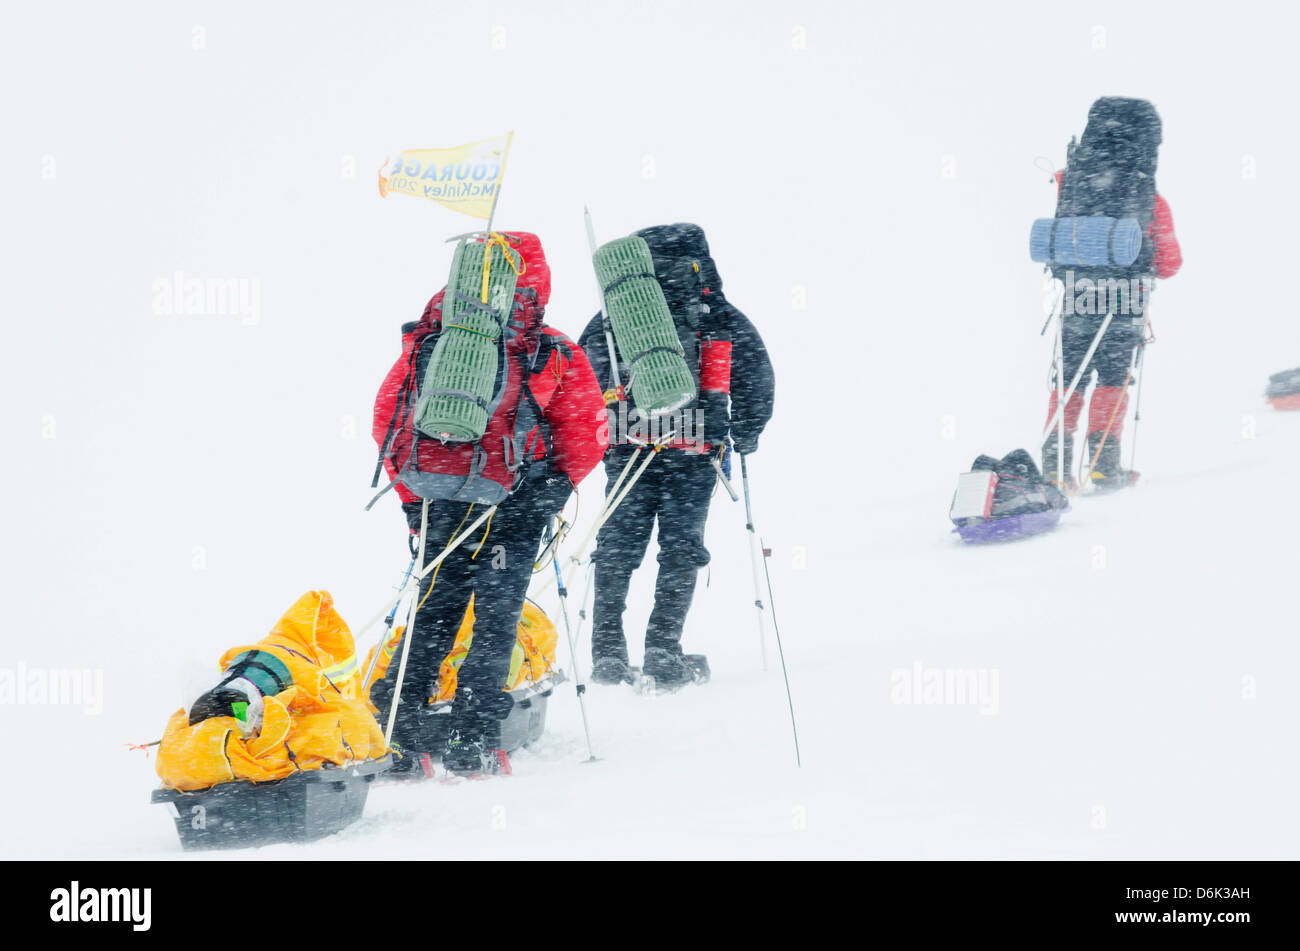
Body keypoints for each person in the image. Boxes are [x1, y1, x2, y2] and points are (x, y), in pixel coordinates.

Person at [370, 231, 607, 774]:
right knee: (496, 617)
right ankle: (472, 740)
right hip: (516, 503)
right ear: (538, 281)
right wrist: (556, 485)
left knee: (434, 609)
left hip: (438, 500)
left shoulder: (433, 342)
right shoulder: (549, 349)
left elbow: (387, 417)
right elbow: (587, 429)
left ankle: (398, 731)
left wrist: (413, 497)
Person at [578, 223, 774, 688]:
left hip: (627, 441)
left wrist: (599, 430)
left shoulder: (617, 315)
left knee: (619, 544)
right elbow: (756, 372)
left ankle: (607, 650)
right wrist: (746, 431)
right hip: (696, 444)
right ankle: (663, 648)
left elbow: (582, 372)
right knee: (681, 546)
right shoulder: (716, 311)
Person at [1041, 97, 1182, 491]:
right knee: (1113, 378)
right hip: (1126, 301)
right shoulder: (1152, 201)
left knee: (1068, 379)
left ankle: (1055, 467)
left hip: (1076, 298)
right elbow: (1170, 264)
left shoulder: (1068, 184)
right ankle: (1104, 464)